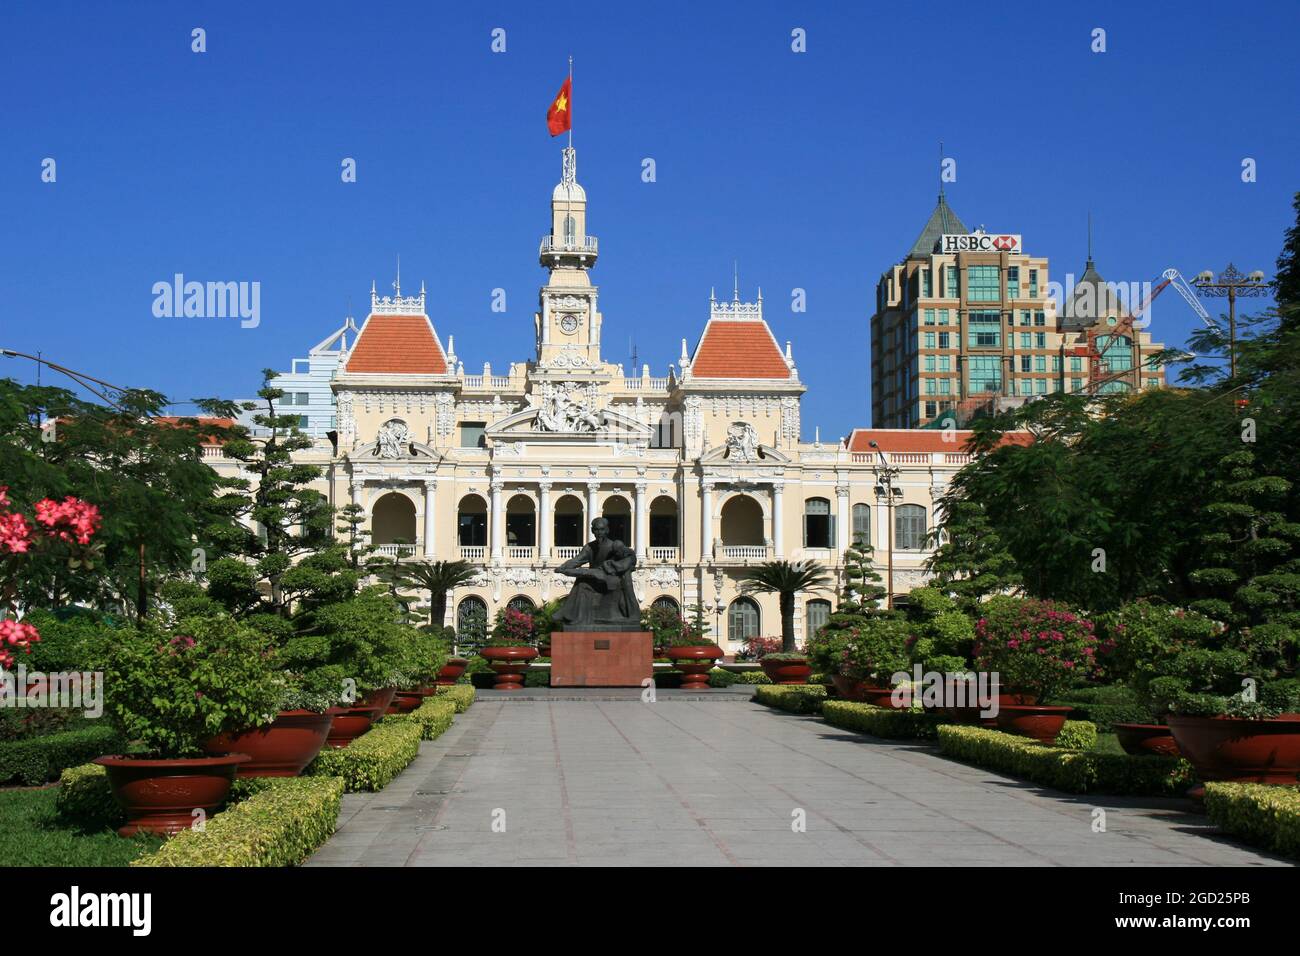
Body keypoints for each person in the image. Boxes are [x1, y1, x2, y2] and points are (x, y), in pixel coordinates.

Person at [553, 517, 640, 629]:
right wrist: (564, 567)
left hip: (611, 579)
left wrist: (616, 567)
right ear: (592, 531)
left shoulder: (614, 546)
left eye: (602, 529)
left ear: (607, 530)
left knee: (584, 579)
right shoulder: (589, 547)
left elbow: (630, 557)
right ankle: (575, 618)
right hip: (595, 578)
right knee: (581, 582)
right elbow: (577, 560)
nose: (599, 533)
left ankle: (566, 613)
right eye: (596, 530)